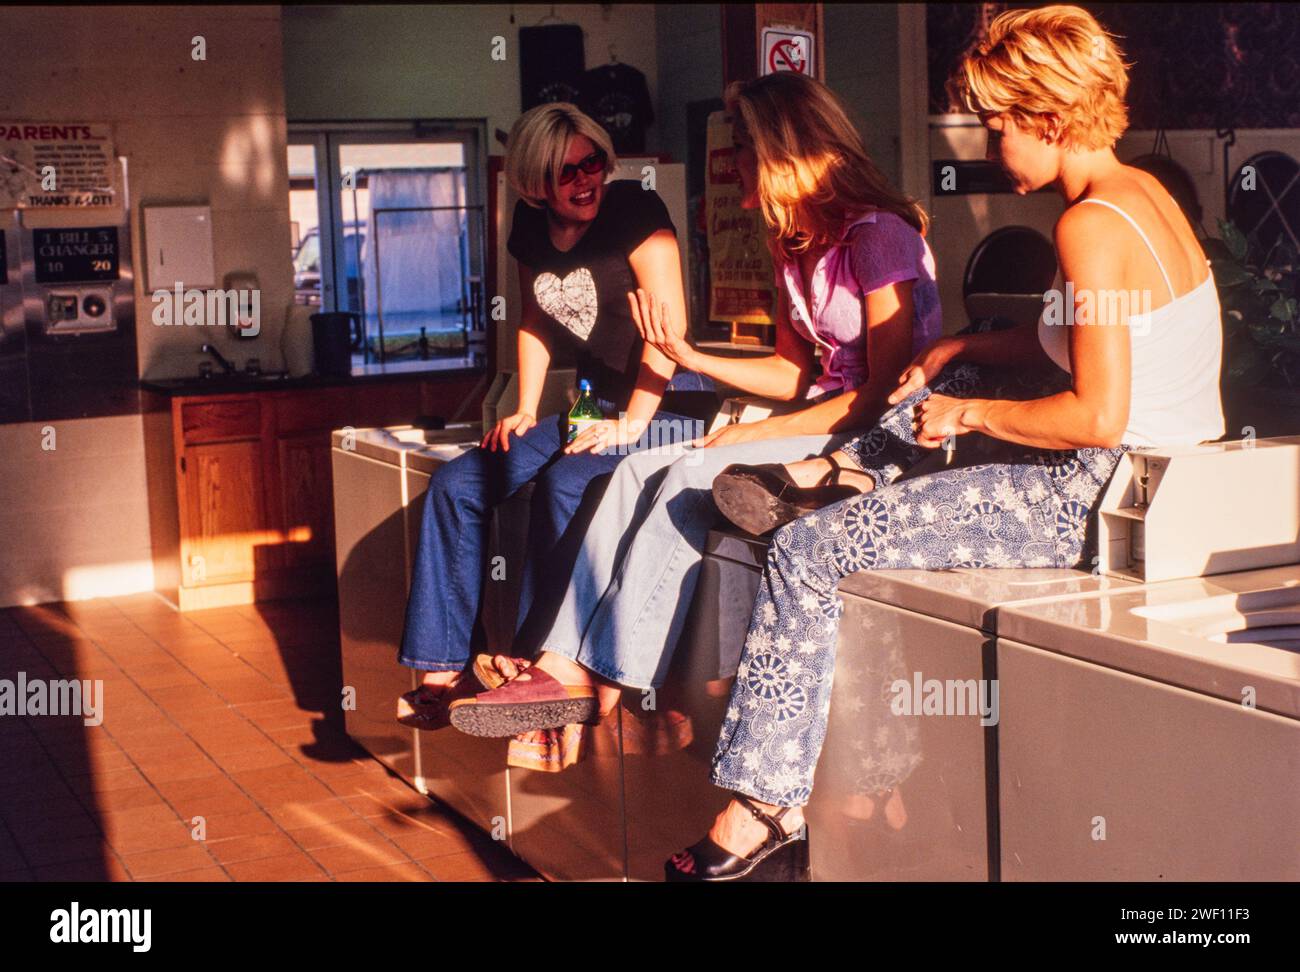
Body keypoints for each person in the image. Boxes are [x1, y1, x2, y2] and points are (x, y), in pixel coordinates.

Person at [668, 4, 1226, 881]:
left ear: (1045, 114)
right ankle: (840, 469)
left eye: (996, 124)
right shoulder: (1139, 194)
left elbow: (1097, 416)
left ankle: (762, 805)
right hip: (1156, 476)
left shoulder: (1086, 229)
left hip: (1090, 488)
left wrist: (967, 418)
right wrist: (964, 349)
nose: (989, 143)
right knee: (946, 374)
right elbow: (1099, 343)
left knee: (809, 554)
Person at [444, 71, 942, 737]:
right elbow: (792, 375)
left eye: (740, 145)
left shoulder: (876, 235)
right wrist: (690, 354)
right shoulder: (791, 241)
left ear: (781, 151)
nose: (731, 162)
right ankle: (562, 664)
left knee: (685, 478)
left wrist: (752, 439)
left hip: (881, 435)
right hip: (820, 417)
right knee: (630, 473)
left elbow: (879, 393)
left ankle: (604, 673)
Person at [396, 102, 697, 728]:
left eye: (592, 163)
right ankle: (442, 667)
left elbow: (671, 333)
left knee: (565, 483)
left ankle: (536, 667)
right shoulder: (530, 230)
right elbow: (533, 317)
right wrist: (526, 408)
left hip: (669, 402)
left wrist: (636, 422)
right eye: (567, 173)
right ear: (535, 183)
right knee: (456, 484)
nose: (586, 179)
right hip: (593, 405)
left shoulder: (637, 212)